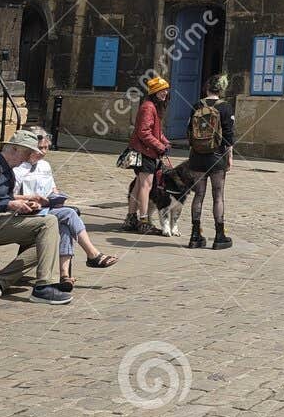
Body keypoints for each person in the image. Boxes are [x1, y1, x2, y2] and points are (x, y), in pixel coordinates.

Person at [0, 130, 69, 305]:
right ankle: (44, 286)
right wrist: (9, 205)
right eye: (27, 153)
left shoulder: (6, 169)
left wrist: (26, 201)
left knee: (49, 237)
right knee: (49, 222)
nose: (28, 158)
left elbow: (0, 197)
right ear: (14, 149)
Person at [14, 127, 118, 288]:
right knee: (69, 214)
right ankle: (92, 255)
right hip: (24, 214)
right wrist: (29, 200)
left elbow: (52, 188)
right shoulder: (18, 168)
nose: (43, 152)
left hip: (46, 209)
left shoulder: (45, 166)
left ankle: (64, 276)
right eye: (39, 148)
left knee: (64, 225)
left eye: (46, 148)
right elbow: (10, 196)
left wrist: (57, 196)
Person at [184, 73, 235, 250]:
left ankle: (195, 235)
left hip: (197, 156)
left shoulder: (197, 105)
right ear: (221, 90)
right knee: (218, 196)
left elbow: (188, 131)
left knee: (198, 195)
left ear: (207, 88)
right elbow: (228, 136)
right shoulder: (225, 107)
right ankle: (219, 236)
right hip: (216, 157)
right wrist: (229, 157)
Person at [124, 76, 171, 233]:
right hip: (145, 152)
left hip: (147, 150)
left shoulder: (152, 107)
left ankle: (131, 218)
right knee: (146, 186)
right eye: (161, 90)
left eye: (166, 90)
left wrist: (165, 142)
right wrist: (160, 147)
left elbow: (156, 131)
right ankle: (144, 221)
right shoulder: (148, 107)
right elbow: (144, 132)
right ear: (154, 92)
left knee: (139, 184)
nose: (165, 92)